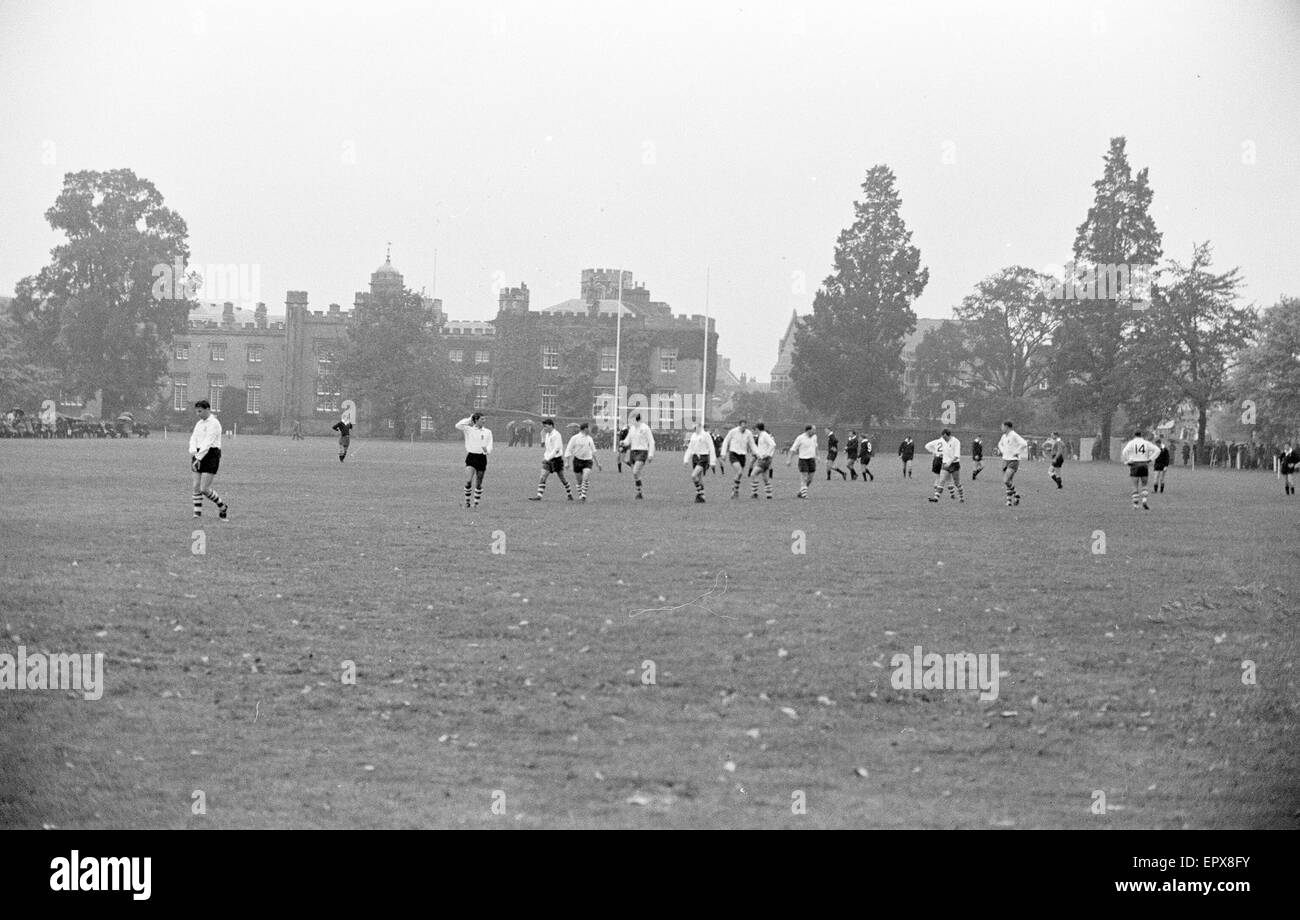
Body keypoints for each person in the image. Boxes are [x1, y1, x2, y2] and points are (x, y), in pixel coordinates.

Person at [189, 399, 230, 521]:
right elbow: (193, 438)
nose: (198, 414)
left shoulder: (215, 423)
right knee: (196, 486)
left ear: (207, 409)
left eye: (200, 411)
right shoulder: (199, 424)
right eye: (196, 411)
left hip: (211, 454)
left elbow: (208, 442)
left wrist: (198, 458)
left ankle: (222, 506)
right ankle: (197, 514)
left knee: (204, 489)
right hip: (198, 454)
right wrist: (193, 452)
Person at [530, 418, 574, 501]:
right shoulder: (547, 435)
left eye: (545, 426)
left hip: (556, 459)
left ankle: (569, 494)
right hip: (548, 459)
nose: (544, 428)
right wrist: (545, 457)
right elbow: (547, 448)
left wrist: (548, 458)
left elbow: (556, 449)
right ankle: (539, 496)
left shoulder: (556, 435)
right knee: (543, 476)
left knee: (562, 478)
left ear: (551, 425)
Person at [455, 412, 493, 509]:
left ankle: (476, 504)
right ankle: (467, 502)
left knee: (479, 483)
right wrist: (469, 419)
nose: (484, 421)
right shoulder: (469, 429)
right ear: (476, 420)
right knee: (468, 481)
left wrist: (487, 450)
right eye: (482, 419)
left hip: (482, 458)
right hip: (471, 457)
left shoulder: (487, 432)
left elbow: (490, 445)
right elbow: (458, 425)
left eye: (484, 419)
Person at [1120, 429, 1160, 510]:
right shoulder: (1146, 443)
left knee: (1135, 486)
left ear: (1134, 435)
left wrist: (1128, 460)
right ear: (1141, 435)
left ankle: (1135, 505)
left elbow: (1124, 452)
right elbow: (1157, 450)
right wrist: (1150, 459)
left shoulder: (1131, 443)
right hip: (1144, 464)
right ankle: (1144, 501)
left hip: (1134, 464)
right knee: (1144, 485)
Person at [620, 412, 656, 500]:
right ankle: (639, 493)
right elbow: (628, 440)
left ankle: (639, 493)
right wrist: (623, 443)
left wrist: (651, 454)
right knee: (636, 474)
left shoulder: (645, 428)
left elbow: (651, 442)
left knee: (635, 471)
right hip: (633, 452)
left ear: (637, 419)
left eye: (632, 419)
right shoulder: (632, 429)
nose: (630, 421)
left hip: (642, 452)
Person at [564, 421, 601, 501]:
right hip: (577, 461)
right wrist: (567, 462)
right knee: (579, 481)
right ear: (585, 429)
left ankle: (583, 495)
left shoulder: (590, 439)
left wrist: (598, 463)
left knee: (585, 477)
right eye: (588, 428)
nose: (590, 430)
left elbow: (594, 451)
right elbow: (568, 450)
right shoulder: (575, 438)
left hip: (587, 461)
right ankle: (581, 494)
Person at [924, 428, 964, 503]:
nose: (943, 439)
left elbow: (957, 455)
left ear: (947, 435)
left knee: (957, 482)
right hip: (945, 464)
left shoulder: (956, 441)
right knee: (941, 480)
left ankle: (961, 497)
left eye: (944, 437)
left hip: (954, 464)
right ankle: (936, 498)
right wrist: (938, 455)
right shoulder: (943, 441)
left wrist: (949, 463)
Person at [720, 419, 756, 499]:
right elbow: (726, 441)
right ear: (739, 425)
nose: (744, 428)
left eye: (745, 426)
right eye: (743, 426)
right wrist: (723, 453)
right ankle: (735, 490)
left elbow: (752, 444)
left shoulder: (748, 433)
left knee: (739, 474)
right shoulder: (733, 431)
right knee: (739, 472)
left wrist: (757, 453)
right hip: (733, 454)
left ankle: (735, 489)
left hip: (742, 455)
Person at [683, 422, 718, 503]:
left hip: (703, 457)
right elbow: (690, 448)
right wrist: (686, 459)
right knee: (699, 478)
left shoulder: (706, 435)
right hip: (695, 457)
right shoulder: (693, 436)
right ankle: (701, 496)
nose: (694, 429)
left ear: (699, 427)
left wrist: (713, 461)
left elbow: (711, 447)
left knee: (693, 475)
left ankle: (699, 492)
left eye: (696, 427)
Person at [998, 420, 1028, 507]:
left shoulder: (1014, 435)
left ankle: (1016, 494)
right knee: (1009, 482)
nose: (1001, 428)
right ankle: (1009, 501)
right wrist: (1003, 451)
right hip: (1005, 460)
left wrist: (1017, 452)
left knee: (1006, 480)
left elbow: (1024, 444)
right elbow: (999, 444)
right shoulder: (1004, 436)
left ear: (1007, 427)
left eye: (1002, 426)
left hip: (1013, 461)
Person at [787, 424, 818, 499]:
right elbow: (792, 449)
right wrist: (789, 460)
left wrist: (817, 456)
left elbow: (816, 446)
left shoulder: (814, 437)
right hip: (803, 460)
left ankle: (801, 492)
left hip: (811, 460)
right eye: (813, 430)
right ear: (808, 430)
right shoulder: (800, 438)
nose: (815, 431)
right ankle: (804, 495)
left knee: (810, 479)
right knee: (804, 477)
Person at [749, 421, 777, 499]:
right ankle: (769, 495)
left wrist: (767, 454)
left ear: (758, 429)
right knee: (765, 478)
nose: (755, 430)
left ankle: (754, 493)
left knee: (753, 474)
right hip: (763, 459)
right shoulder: (761, 435)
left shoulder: (765, 435)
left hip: (764, 459)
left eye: (755, 429)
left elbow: (773, 444)